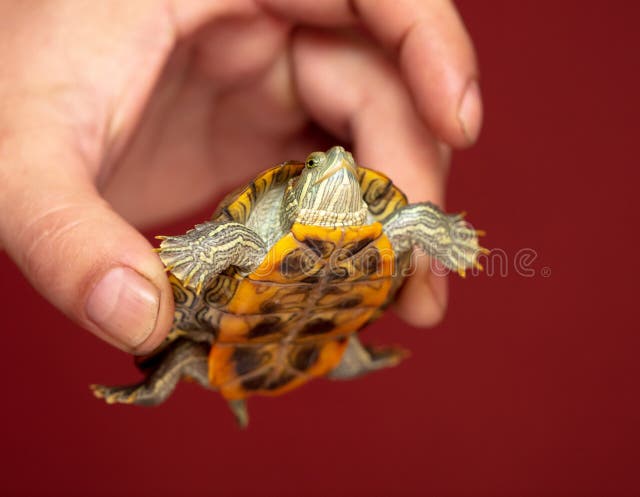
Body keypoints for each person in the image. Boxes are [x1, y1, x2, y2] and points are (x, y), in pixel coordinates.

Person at [0, 0, 482, 354]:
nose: (336, 161)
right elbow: (232, 243)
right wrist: (198, 252)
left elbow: (414, 220)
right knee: (191, 340)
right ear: (299, 192)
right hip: (244, 313)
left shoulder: (379, 227)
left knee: (414, 222)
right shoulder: (261, 239)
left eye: (347, 169)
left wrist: (443, 234)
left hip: (320, 320)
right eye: (319, 164)